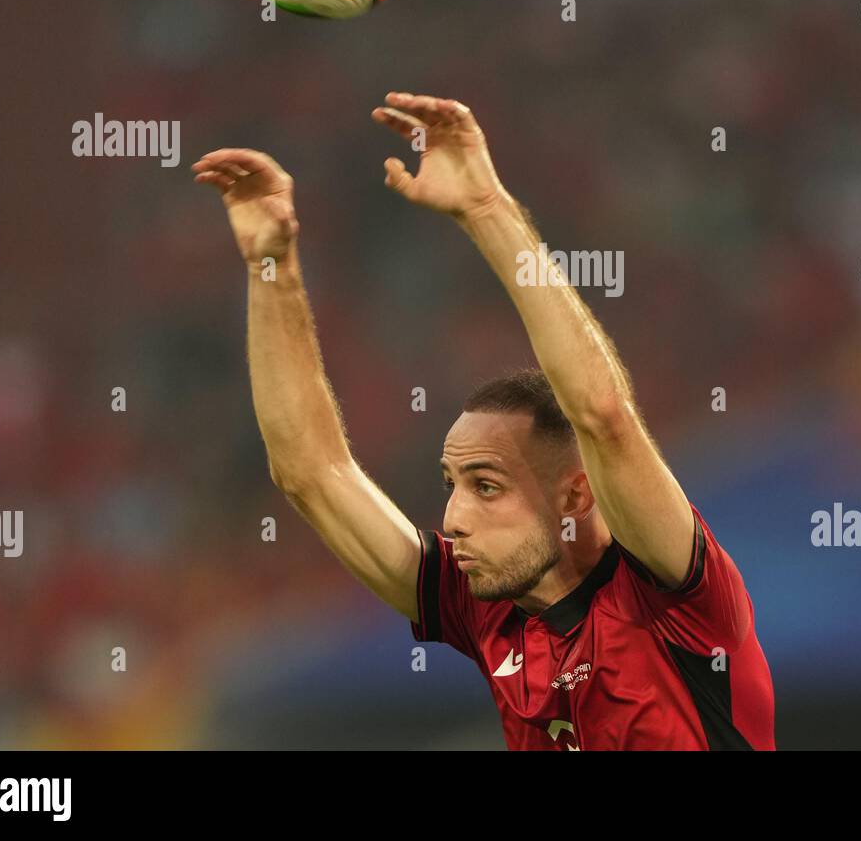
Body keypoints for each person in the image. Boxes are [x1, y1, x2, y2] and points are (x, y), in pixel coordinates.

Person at [192, 92, 775, 749]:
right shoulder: (487, 609)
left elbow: (603, 415)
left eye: (486, 486)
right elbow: (312, 473)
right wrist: (272, 266)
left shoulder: (674, 596)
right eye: (452, 485)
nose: (454, 519)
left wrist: (485, 208)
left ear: (574, 493)